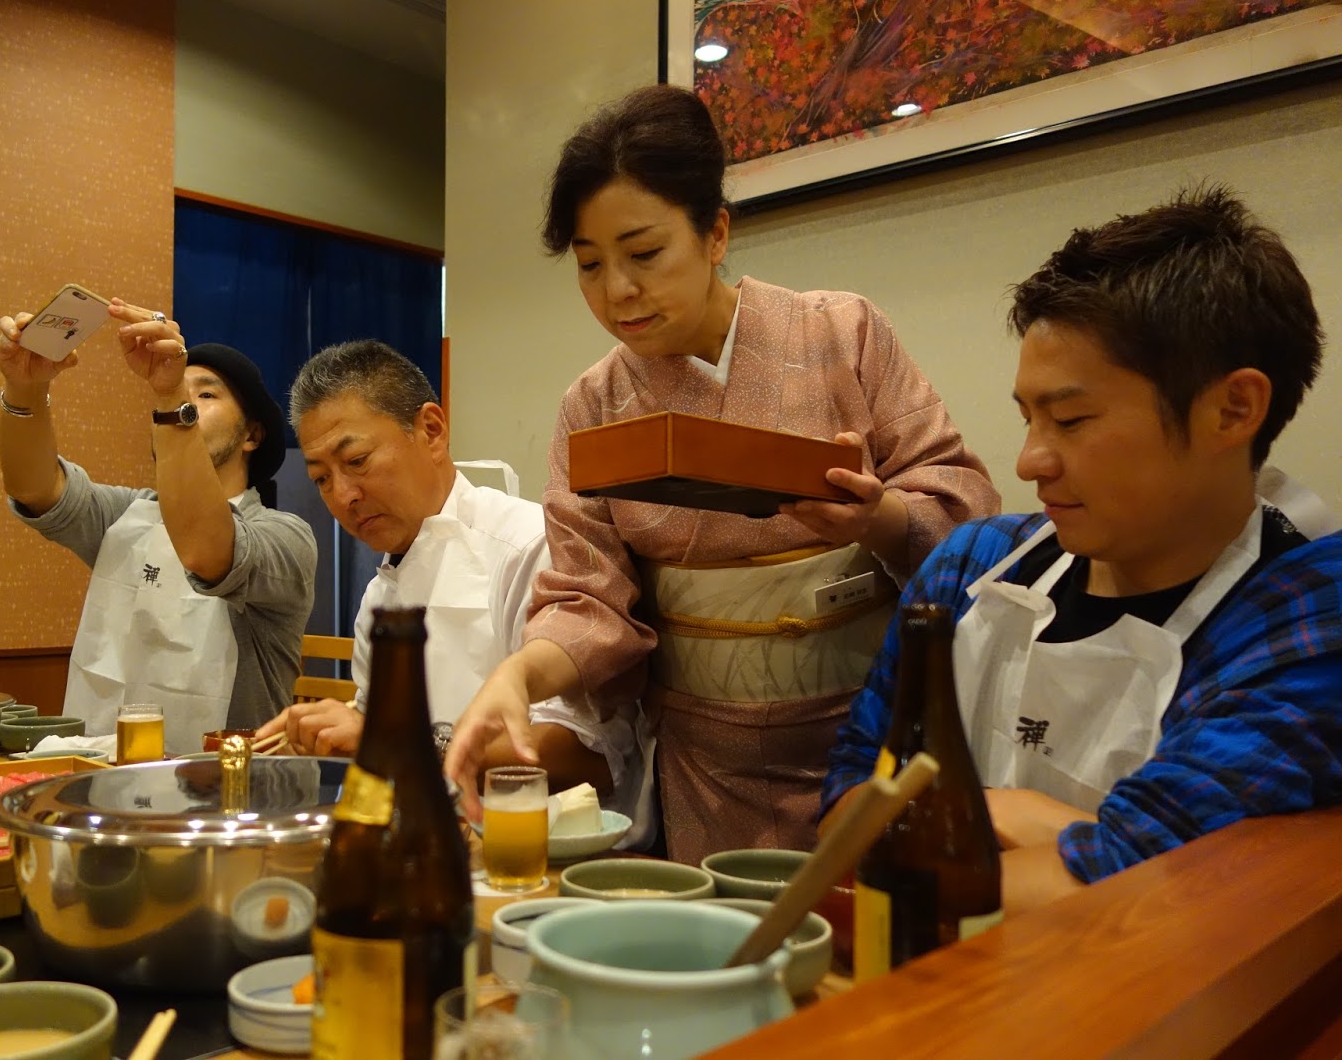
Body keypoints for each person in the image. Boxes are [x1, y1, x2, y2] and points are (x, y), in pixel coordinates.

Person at [444, 85, 999, 863]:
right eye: (590, 264)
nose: (617, 291)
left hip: (871, 733)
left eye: (643, 254)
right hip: (706, 761)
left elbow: (964, 503)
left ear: (715, 234)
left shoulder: (845, 333)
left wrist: (880, 521)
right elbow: (587, 598)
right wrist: (520, 675)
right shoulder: (593, 406)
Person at [820, 184, 1342, 914]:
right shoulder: (972, 566)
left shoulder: (1305, 614)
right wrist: (1031, 819)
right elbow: (848, 799)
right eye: (1029, 417)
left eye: (1071, 418)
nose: (1030, 461)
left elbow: (1144, 879)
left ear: (1234, 408)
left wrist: (955, 822)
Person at [258, 340, 645, 832]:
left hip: (554, 857)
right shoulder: (381, 595)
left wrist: (396, 743)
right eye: (320, 479)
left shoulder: (529, 546)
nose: (343, 496)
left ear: (432, 431)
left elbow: (587, 754)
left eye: (356, 461)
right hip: (433, 844)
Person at [0, 298, 317, 754]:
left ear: (252, 435)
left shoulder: (286, 536)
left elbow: (208, 550)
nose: (186, 404)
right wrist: (25, 389)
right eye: (181, 396)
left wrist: (169, 397)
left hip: (230, 797)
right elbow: (34, 487)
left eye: (203, 396)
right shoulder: (128, 515)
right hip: (105, 785)